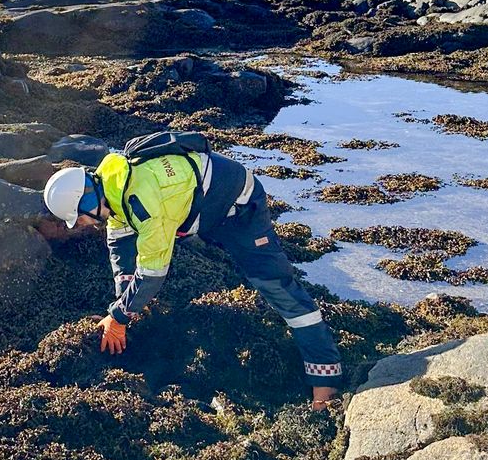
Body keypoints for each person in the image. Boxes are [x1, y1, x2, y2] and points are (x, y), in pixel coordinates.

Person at [43, 134, 342, 409]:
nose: (82, 225)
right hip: (202, 207)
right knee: (190, 259)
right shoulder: (114, 184)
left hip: (239, 205)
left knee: (276, 286)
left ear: (89, 202)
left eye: (79, 218)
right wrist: (125, 304)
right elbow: (120, 243)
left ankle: (325, 383)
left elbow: (152, 274)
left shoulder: (143, 203)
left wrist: (120, 317)